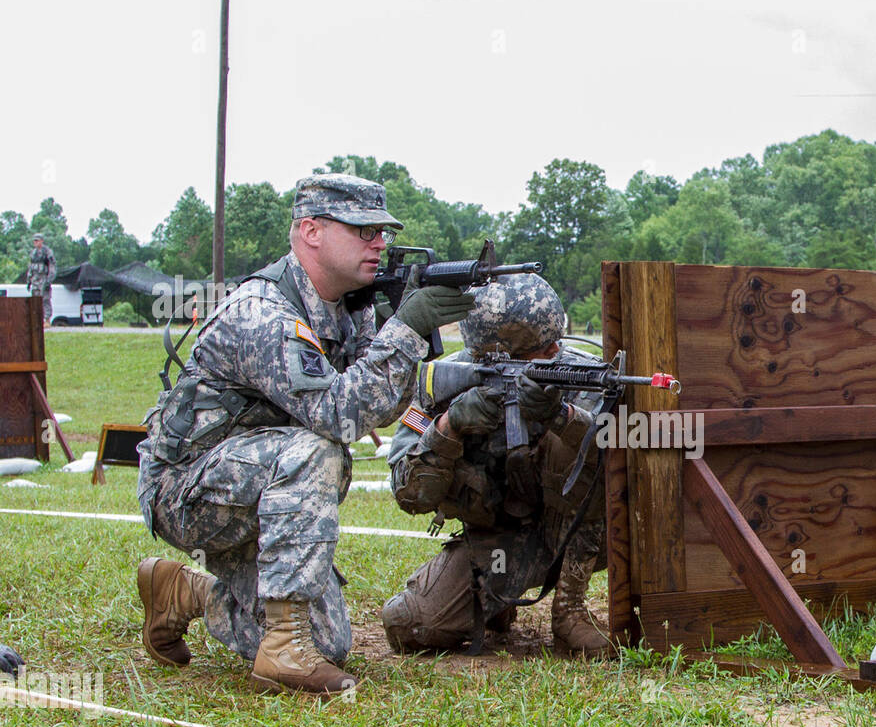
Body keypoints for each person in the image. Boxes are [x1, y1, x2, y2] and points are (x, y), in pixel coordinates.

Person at [134, 173, 475, 695]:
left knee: (331, 642)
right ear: (311, 231)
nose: (379, 243)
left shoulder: (347, 309)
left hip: (263, 488)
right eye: (363, 231)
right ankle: (282, 652)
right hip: (189, 491)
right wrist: (404, 329)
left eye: (381, 233)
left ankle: (185, 591)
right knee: (316, 448)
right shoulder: (261, 312)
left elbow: (381, 411)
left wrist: (403, 334)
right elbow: (339, 415)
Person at [381, 274, 611, 658]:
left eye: (556, 338)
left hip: (572, 541)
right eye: (541, 347)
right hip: (496, 544)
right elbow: (410, 494)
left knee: (576, 441)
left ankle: (570, 612)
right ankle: (496, 596)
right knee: (410, 625)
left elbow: (620, 454)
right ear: (494, 355)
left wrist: (562, 417)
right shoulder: (443, 381)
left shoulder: (579, 374)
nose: (557, 349)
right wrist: (449, 427)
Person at [26, 233, 56, 327]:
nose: (35, 242)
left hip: (44, 278)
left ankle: (47, 319)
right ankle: (36, 319)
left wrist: (49, 279)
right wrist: (28, 281)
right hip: (35, 278)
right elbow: (30, 267)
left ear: (42, 241)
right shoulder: (33, 253)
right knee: (35, 299)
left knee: (45, 299)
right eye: (34, 240)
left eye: (37, 240)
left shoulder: (47, 252)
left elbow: (52, 266)